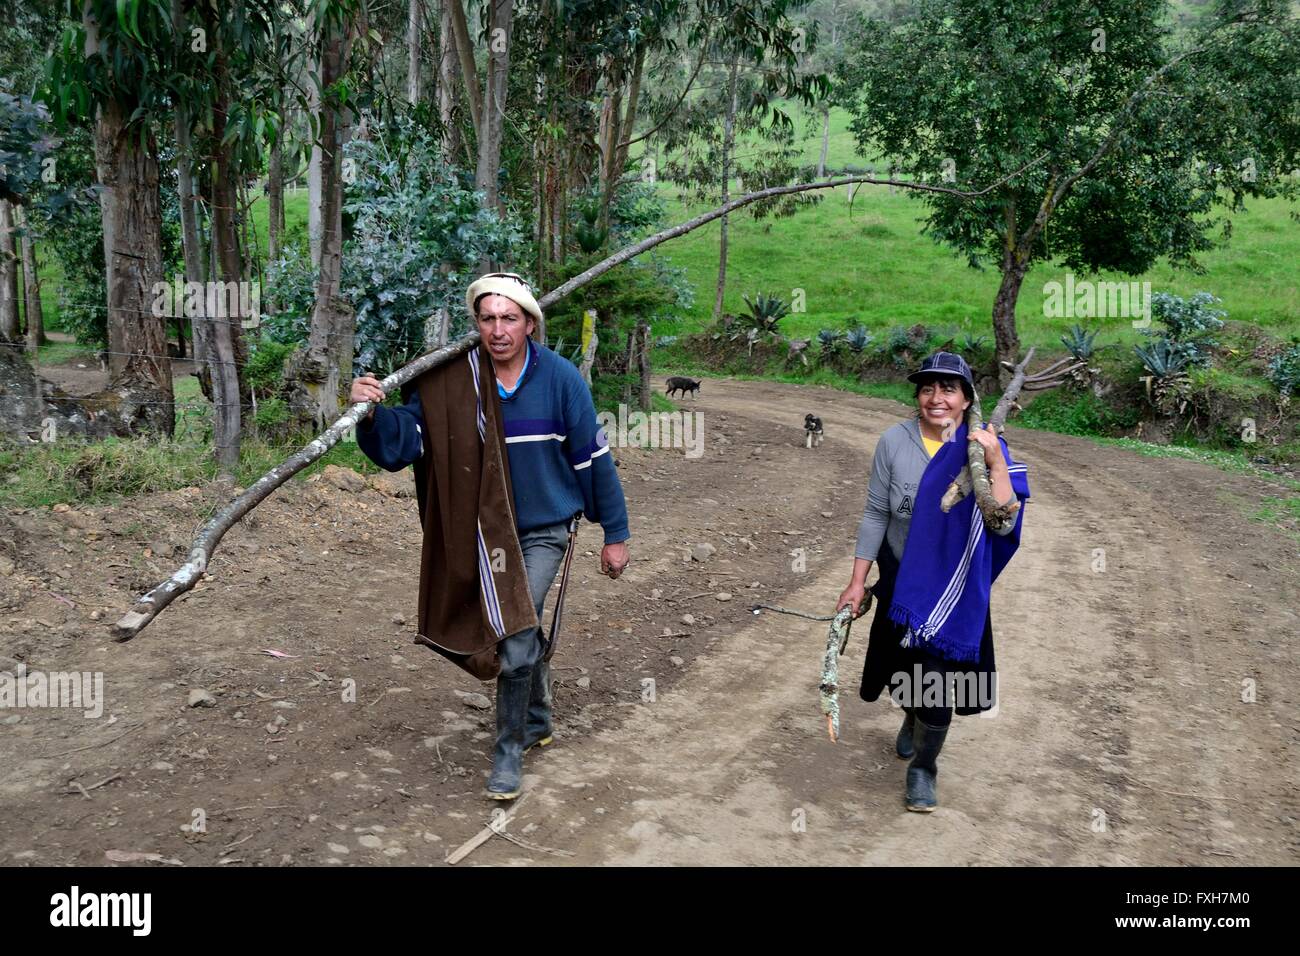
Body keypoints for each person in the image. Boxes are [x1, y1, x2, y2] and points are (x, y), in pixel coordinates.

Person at [350, 273, 631, 800]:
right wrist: (370, 415)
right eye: (488, 318)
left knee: (515, 630)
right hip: (483, 536)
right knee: (510, 625)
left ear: (530, 323)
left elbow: (595, 460)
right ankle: (540, 714)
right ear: (476, 323)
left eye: (509, 318)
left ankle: (509, 748)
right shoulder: (455, 381)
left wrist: (614, 533)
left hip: (545, 530)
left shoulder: (562, 380)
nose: (498, 330)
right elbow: (407, 442)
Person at [837, 351, 1029, 812]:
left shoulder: (981, 449)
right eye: (927, 388)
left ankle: (924, 766)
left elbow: (1003, 526)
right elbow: (876, 512)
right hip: (903, 581)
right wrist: (857, 581)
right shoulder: (894, 442)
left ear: (966, 399)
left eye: (948, 389)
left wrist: (995, 463)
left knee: (939, 685)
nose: (936, 398)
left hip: (955, 589)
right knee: (907, 674)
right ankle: (911, 716)